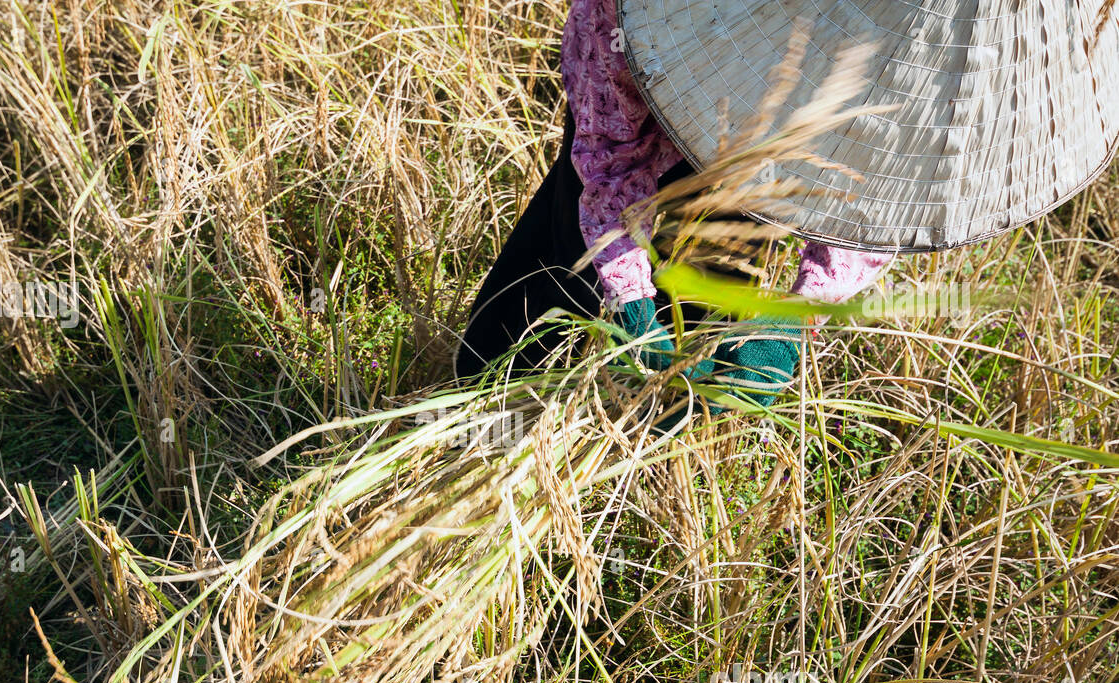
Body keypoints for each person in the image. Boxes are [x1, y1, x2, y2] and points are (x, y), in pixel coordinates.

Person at [455, 0, 1119, 406]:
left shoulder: (946, 62)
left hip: (764, 174)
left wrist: (801, 312)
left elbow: (882, 186)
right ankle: (486, 405)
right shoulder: (638, 17)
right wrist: (627, 292)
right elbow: (610, 159)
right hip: (649, 107)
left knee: (702, 319)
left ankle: (641, 461)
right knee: (560, 273)